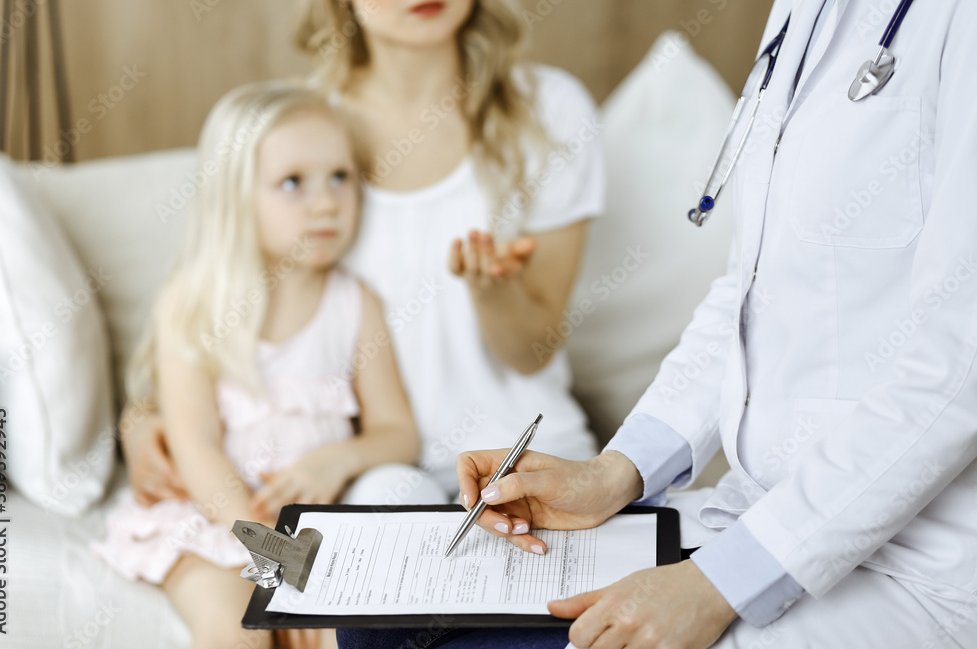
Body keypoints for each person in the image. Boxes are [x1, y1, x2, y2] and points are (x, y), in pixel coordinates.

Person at [344, 0, 977, 647]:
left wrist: (720, 582)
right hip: (748, 511)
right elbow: (748, 292)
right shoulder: (803, 10)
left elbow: (960, 372)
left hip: (908, 564)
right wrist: (614, 472)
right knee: (380, 625)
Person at [121, 0, 604, 510]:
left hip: (522, 459)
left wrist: (493, 293)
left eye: (340, 180)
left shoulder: (548, 110)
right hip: (375, 481)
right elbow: (222, 287)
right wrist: (145, 419)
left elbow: (533, 352)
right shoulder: (306, 130)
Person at [93, 82, 429, 649]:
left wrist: (336, 462)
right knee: (232, 631)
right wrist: (265, 551)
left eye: (340, 177)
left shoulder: (355, 304)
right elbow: (195, 445)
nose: (326, 202)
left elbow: (398, 434)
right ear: (236, 193)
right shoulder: (194, 304)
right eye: (293, 182)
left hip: (312, 531)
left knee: (335, 634)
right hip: (215, 520)